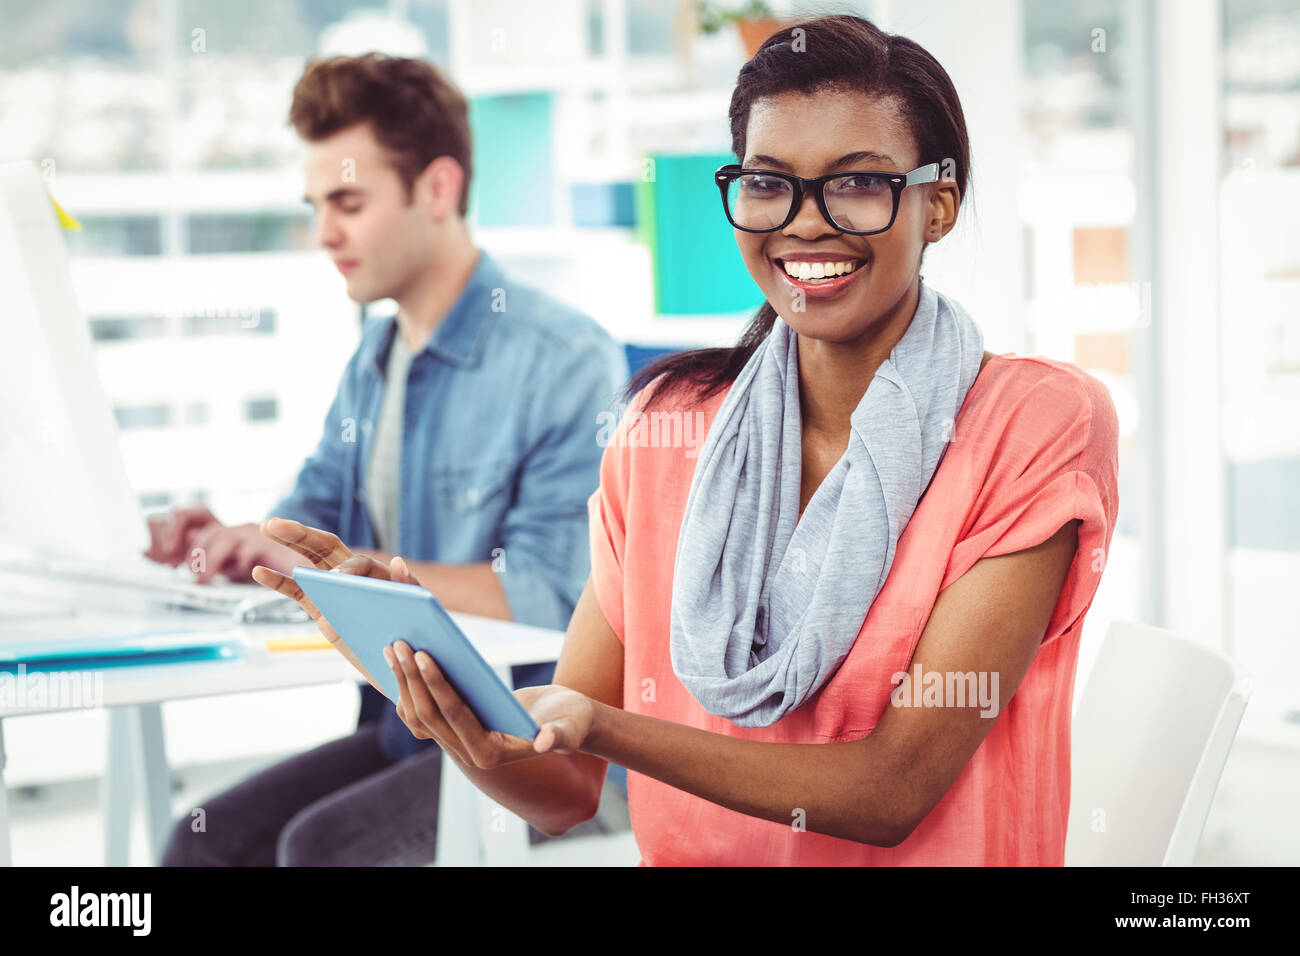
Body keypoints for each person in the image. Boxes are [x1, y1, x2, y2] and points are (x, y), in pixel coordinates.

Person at [256, 14, 1119, 865]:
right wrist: (442, 692)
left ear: (938, 204)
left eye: (858, 184)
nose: (806, 223)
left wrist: (602, 724)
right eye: (770, 183)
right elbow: (564, 791)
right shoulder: (666, 428)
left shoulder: (1033, 425)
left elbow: (892, 792)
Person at [155, 53, 628, 865]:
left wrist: (358, 569)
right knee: (205, 843)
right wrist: (242, 539)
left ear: (437, 189)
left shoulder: (563, 358)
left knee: (319, 850)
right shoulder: (376, 355)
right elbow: (315, 522)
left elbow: (551, 594)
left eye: (347, 202)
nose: (324, 232)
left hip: (536, 750)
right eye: (316, 206)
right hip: (410, 730)